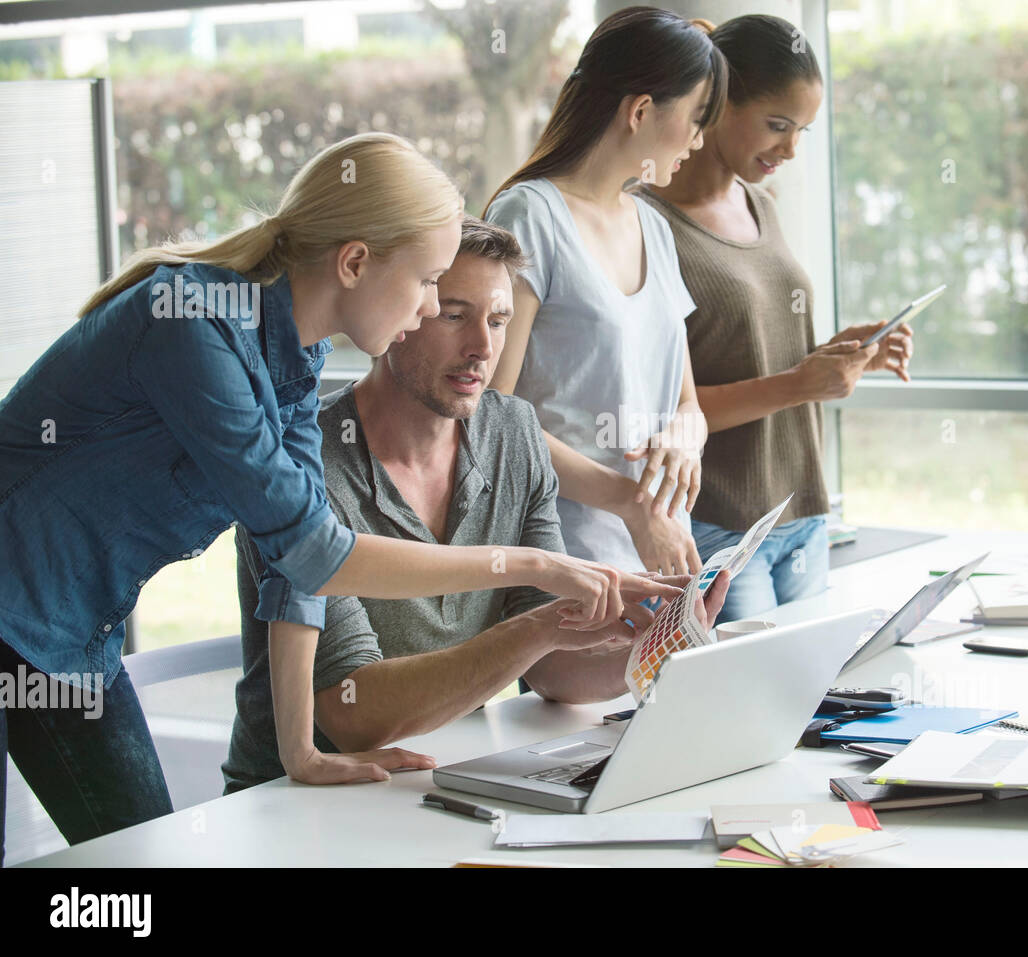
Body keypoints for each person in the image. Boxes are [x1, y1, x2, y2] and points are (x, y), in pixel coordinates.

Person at [0, 132, 677, 861]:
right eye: (426, 283)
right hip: (19, 616)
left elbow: (298, 555)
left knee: (135, 878)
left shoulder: (296, 351)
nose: (423, 311)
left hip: (70, 638)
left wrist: (301, 751)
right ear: (355, 262)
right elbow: (319, 553)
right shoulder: (191, 326)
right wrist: (531, 567)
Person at [222, 217, 729, 791]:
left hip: (440, 780)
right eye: (455, 316)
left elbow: (552, 668)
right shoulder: (302, 462)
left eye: (498, 320)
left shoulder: (514, 433)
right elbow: (353, 715)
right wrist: (540, 629)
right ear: (399, 310)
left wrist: (653, 647)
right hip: (292, 804)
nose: (482, 349)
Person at [640, 15, 915, 622]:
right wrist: (800, 384)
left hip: (801, 513)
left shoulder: (760, 201)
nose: (790, 148)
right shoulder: (644, 222)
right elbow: (665, 410)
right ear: (716, 102)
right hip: (719, 522)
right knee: (753, 707)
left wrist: (839, 356)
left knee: (812, 710)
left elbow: (748, 346)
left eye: (803, 131)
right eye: (777, 125)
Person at [483, 6, 728, 578]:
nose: (698, 140)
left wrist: (684, 440)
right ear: (641, 111)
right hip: (569, 563)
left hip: (664, 552)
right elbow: (495, 413)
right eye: (696, 119)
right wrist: (630, 503)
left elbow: (689, 403)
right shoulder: (529, 214)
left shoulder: (655, 227)